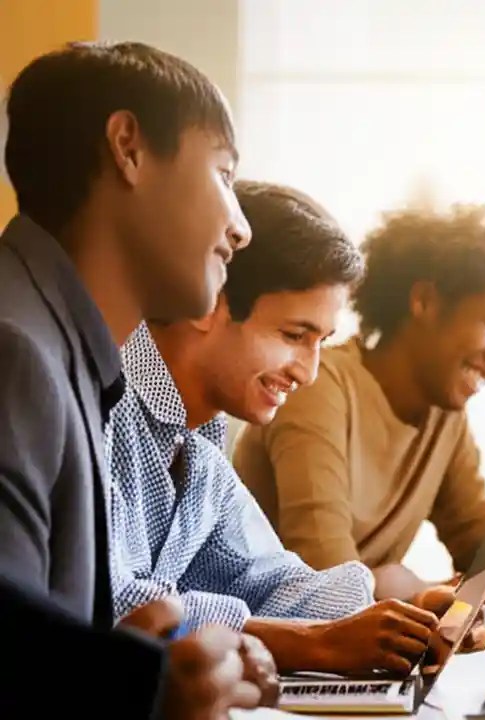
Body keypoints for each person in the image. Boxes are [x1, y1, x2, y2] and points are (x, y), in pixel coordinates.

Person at [108, 179, 481, 675]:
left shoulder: (198, 438)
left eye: (322, 340)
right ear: (208, 297)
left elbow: (267, 582)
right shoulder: (98, 404)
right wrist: (313, 645)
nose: (307, 372)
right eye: (293, 335)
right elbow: (111, 606)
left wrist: (406, 615)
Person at [0, 42, 270, 716]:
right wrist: (141, 688)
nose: (240, 230)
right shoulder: (15, 348)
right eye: (224, 174)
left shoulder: (64, 349)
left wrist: (134, 649)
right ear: (128, 147)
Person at [235, 206, 485, 610]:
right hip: (278, 644)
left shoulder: (446, 419)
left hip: (358, 650)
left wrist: (413, 589)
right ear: (424, 301)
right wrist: (419, 593)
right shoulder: (319, 387)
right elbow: (329, 587)